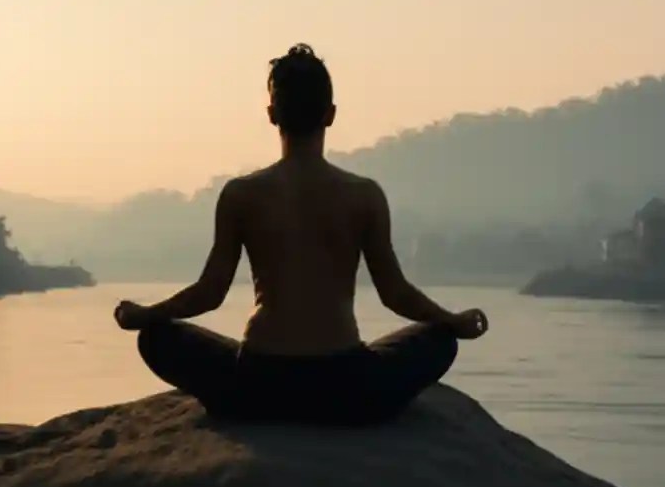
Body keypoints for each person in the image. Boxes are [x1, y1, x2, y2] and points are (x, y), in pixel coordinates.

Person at [114, 43, 487, 425]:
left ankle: (244, 409)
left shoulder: (241, 194)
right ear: (330, 115)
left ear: (272, 113)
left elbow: (210, 292)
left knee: (156, 338)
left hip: (258, 383)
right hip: (347, 387)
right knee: (438, 341)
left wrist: (148, 314)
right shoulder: (364, 194)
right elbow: (395, 293)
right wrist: (452, 321)